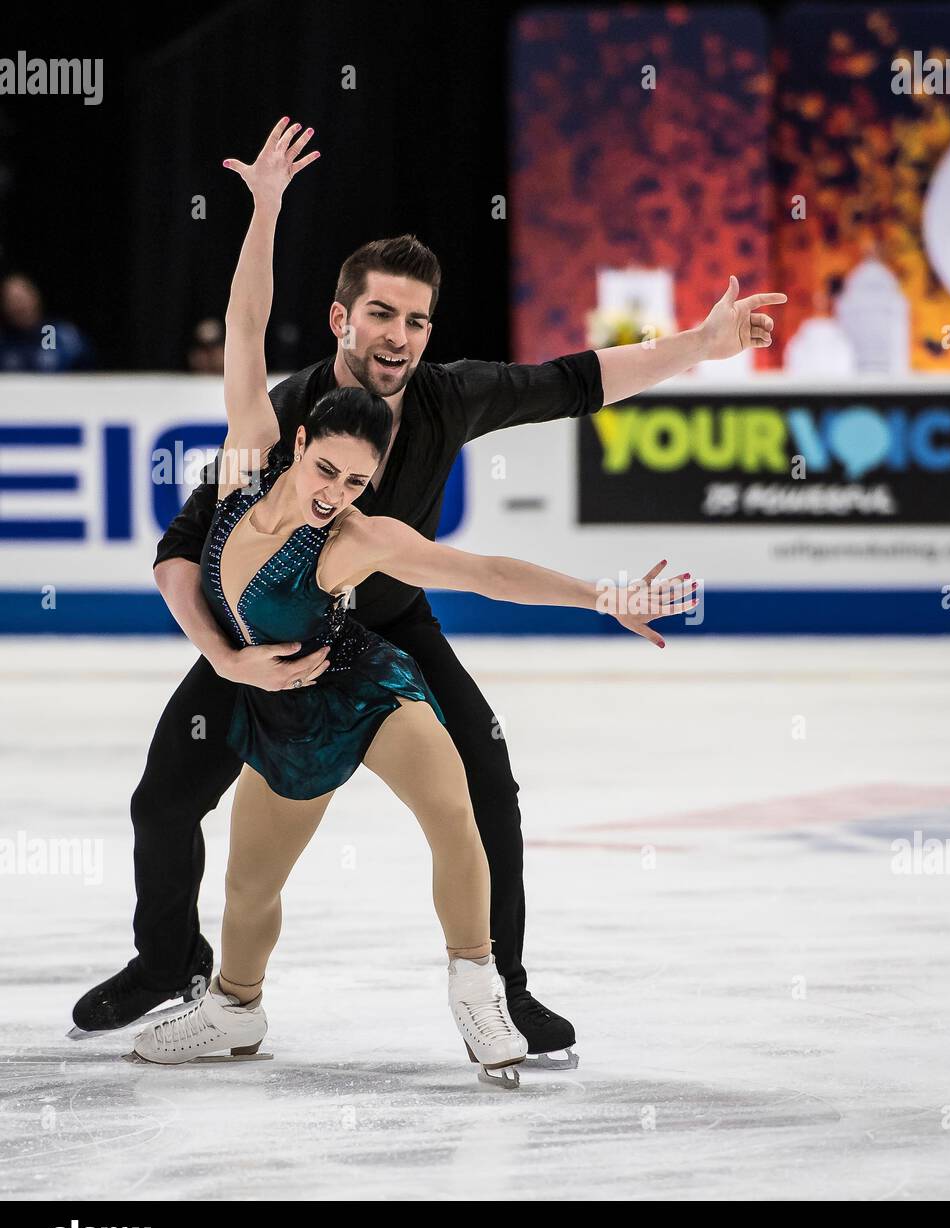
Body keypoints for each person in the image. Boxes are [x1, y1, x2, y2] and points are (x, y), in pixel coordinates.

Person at [71, 116, 786, 1064]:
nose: (399, 336)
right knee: (165, 800)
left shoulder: (443, 409)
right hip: (265, 643)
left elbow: (570, 384)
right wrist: (227, 656)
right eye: (381, 315)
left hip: (386, 633)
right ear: (341, 319)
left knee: (485, 785)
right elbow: (182, 544)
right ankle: (172, 965)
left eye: (415, 320)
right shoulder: (274, 427)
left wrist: (695, 348)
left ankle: (505, 992)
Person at [0, 271, 95, 372]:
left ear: (35, 296)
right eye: (12, 300)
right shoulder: (3, 342)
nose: (19, 305)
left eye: (22, 298)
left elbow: (91, 373)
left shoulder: (64, 336)